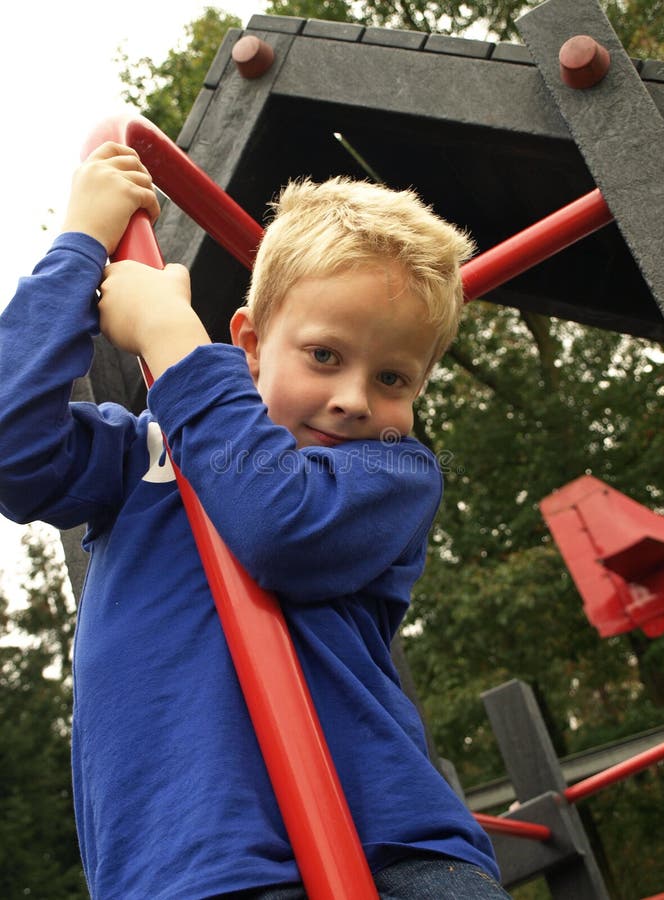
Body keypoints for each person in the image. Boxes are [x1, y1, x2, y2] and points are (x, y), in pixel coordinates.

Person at [0, 142, 511, 899]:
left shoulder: (390, 473)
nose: (355, 398)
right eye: (325, 354)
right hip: (189, 857)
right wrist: (78, 247)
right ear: (247, 344)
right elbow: (14, 450)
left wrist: (173, 338)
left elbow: (278, 525)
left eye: (394, 377)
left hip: (390, 851)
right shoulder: (140, 456)